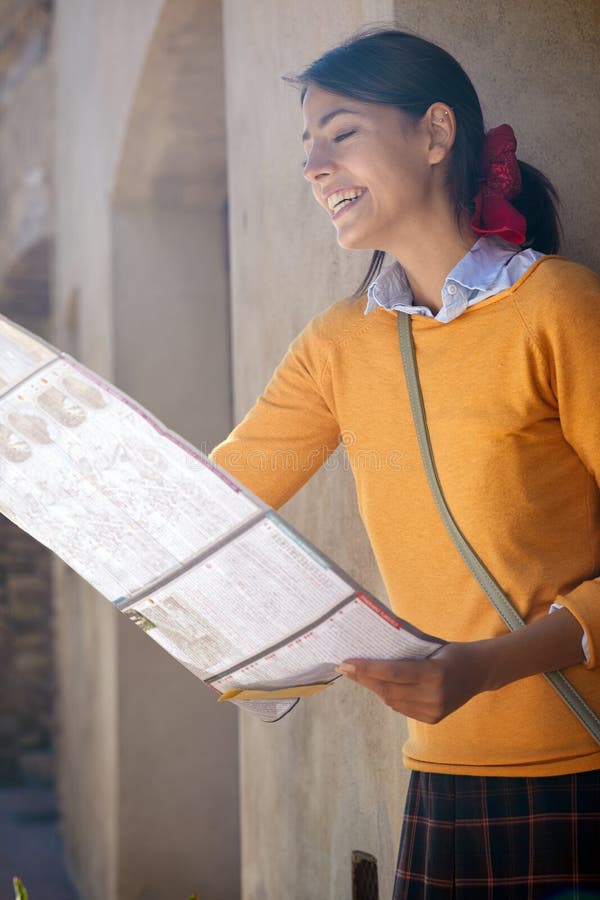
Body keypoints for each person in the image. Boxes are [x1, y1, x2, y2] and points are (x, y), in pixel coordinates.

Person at [209, 27, 600, 898]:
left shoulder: (561, 312)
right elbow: (213, 504)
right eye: (306, 144)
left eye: (339, 132)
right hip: (437, 784)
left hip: (580, 771)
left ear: (433, 135)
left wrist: (484, 667)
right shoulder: (337, 346)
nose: (313, 164)